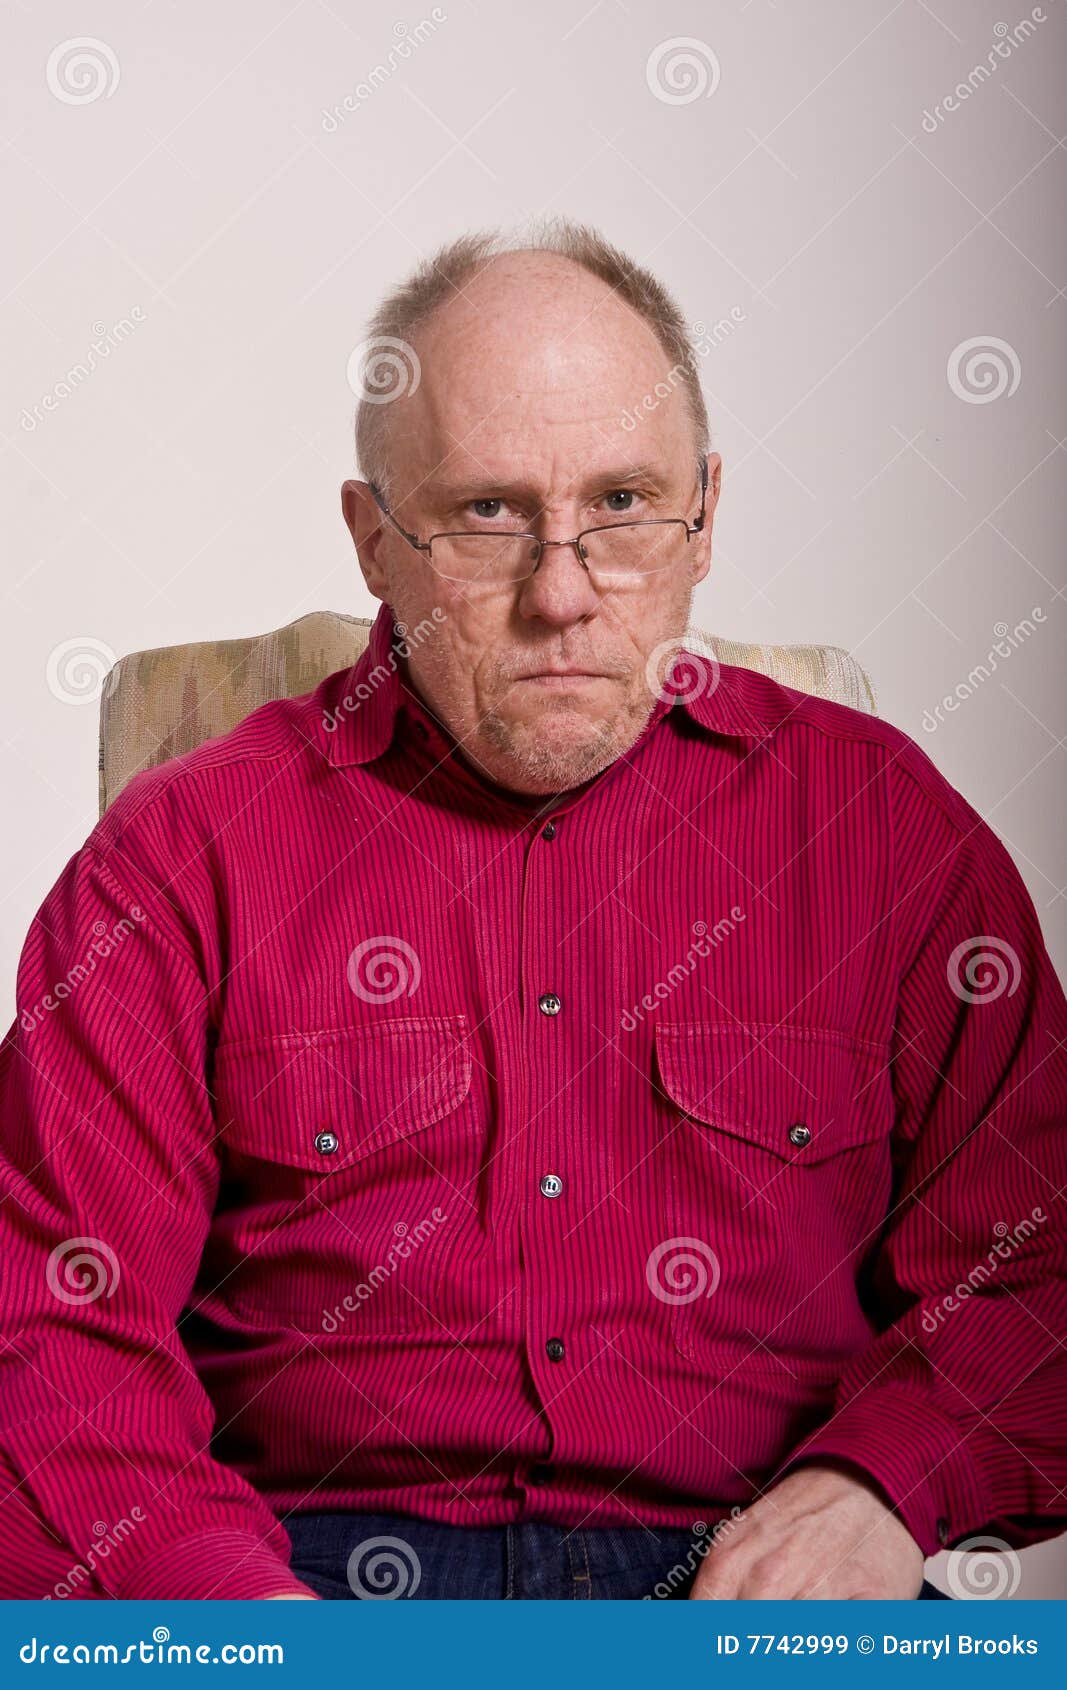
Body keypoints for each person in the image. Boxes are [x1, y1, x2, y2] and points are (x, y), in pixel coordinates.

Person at [1, 219, 1064, 1601]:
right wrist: (237, 1617)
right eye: (488, 513)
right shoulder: (184, 856)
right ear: (372, 540)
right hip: (308, 1579)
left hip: (771, 1576)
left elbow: (1039, 1269)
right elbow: (51, 1323)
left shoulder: (882, 828)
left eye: (623, 502)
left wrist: (882, 1487)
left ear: (706, 515)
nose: (562, 594)